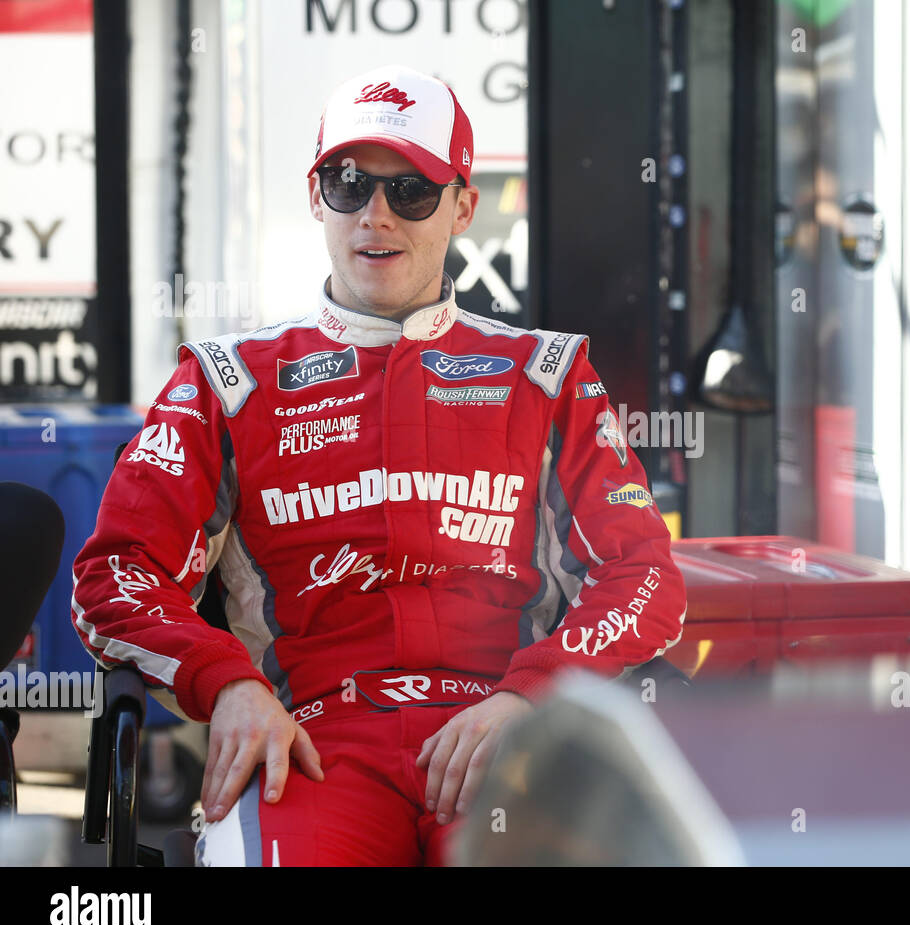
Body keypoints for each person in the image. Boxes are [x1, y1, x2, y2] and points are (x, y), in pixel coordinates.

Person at [70, 64, 687, 866]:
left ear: (464, 205)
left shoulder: (547, 374)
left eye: (412, 192)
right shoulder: (230, 382)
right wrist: (227, 684)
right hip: (311, 747)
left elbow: (644, 576)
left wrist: (533, 694)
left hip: (507, 740)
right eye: (349, 183)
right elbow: (116, 574)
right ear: (316, 195)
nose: (376, 216)